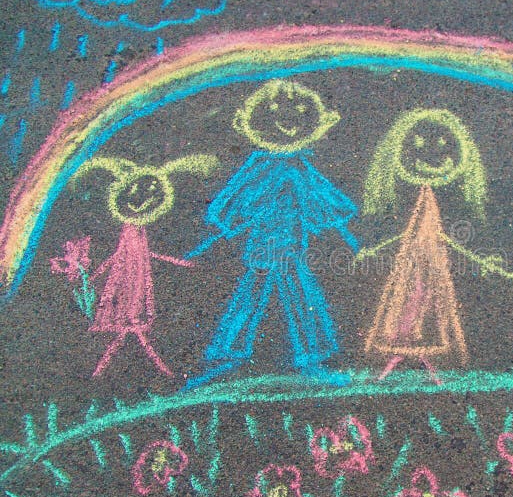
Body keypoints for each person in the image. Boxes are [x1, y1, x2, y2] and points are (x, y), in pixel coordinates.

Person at [184, 80, 357, 389]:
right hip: (266, 245)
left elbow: (318, 199)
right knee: (266, 299)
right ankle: (233, 356)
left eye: (301, 112)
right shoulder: (262, 165)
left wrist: (342, 230)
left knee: (292, 299)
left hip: (289, 246)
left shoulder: (297, 166)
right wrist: (228, 223)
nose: (288, 119)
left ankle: (299, 359)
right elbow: (237, 199)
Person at [357, 109, 486, 384]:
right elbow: (413, 234)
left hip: (424, 264)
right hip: (419, 265)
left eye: (443, 145)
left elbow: (432, 234)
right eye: (417, 145)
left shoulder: (429, 198)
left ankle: (408, 362)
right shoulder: (418, 198)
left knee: (416, 310)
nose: (431, 153)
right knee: (415, 309)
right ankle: (411, 362)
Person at [70, 154, 218, 377]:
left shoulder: (137, 231)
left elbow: (137, 255)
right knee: (128, 325)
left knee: (130, 324)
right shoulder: (131, 231)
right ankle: (113, 364)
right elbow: (122, 256)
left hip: (132, 281)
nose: (140, 198)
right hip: (125, 284)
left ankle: (111, 363)